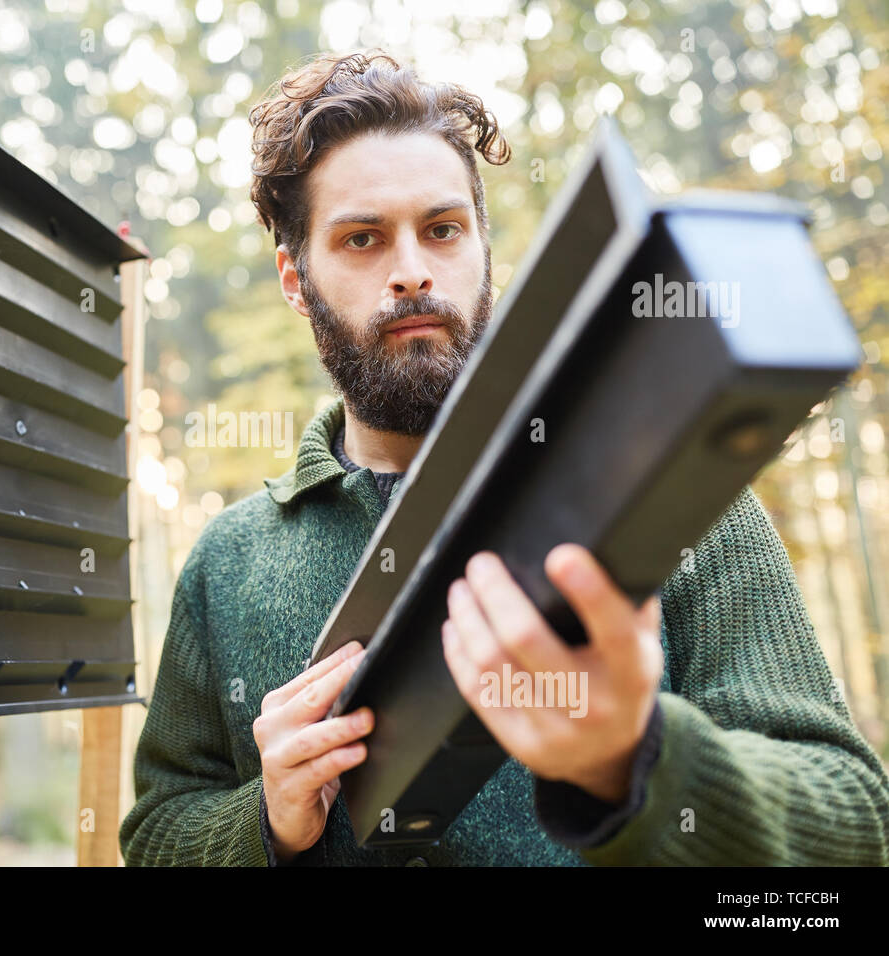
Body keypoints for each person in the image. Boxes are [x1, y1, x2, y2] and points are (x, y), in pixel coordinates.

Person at [118, 49, 889, 866]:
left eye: (442, 229)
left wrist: (637, 756)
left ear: (484, 246)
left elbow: (854, 826)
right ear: (294, 276)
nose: (412, 271)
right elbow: (158, 830)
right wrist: (265, 823)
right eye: (361, 239)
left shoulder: (671, 492)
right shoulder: (226, 564)